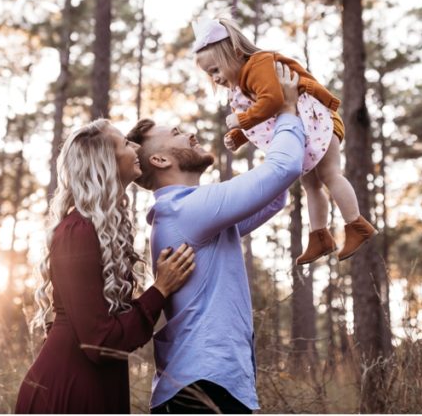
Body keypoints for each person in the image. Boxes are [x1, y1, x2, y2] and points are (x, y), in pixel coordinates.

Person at [125, 61, 305, 414]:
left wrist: (269, 121)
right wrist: (286, 110)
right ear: (160, 159)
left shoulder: (189, 212)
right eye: (176, 132)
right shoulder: (186, 211)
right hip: (202, 389)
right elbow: (283, 168)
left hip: (207, 384)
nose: (189, 133)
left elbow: (274, 195)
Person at [15, 120, 196, 414]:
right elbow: (101, 341)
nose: (135, 146)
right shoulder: (78, 232)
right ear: (104, 162)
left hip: (95, 384)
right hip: (67, 391)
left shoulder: (100, 229)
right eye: (125, 143)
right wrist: (160, 289)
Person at [192, 16, 377, 265]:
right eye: (209, 74)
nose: (214, 77)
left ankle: (356, 224)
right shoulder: (241, 86)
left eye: (215, 69)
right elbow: (266, 117)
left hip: (319, 121)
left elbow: (273, 101)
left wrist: (243, 121)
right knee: (310, 185)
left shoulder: (259, 64)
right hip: (304, 128)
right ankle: (319, 236)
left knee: (330, 175)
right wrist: (238, 135)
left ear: (236, 53)